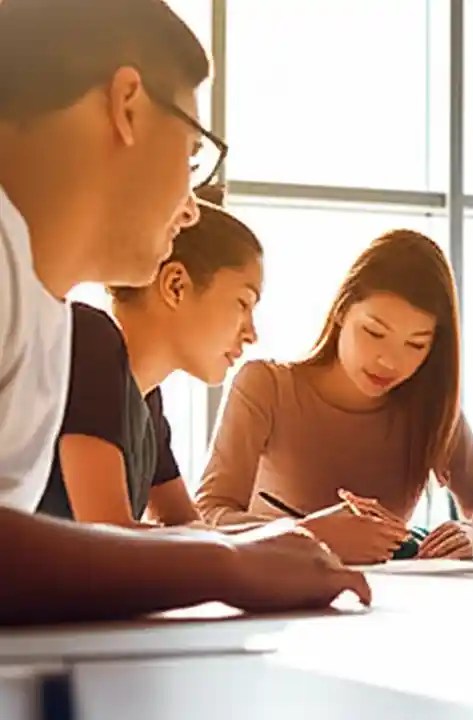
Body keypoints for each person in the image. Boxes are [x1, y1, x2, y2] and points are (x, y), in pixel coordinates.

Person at [0, 0, 369, 625]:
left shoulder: (45, 313)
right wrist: (225, 565)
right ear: (128, 107)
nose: (192, 207)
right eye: (193, 154)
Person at [195, 230, 473, 565]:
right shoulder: (268, 386)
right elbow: (207, 513)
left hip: (387, 595)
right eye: (374, 332)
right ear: (342, 311)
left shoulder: (431, 410)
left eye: (416, 344)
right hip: (278, 591)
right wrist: (309, 535)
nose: (389, 361)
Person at [37, 192, 262, 526]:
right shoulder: (92, 343)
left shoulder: (148, 402)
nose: (251, 334)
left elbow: (187, 527)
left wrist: (299, 534)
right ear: (175, 286)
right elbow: (109, 535)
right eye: (243, 303)